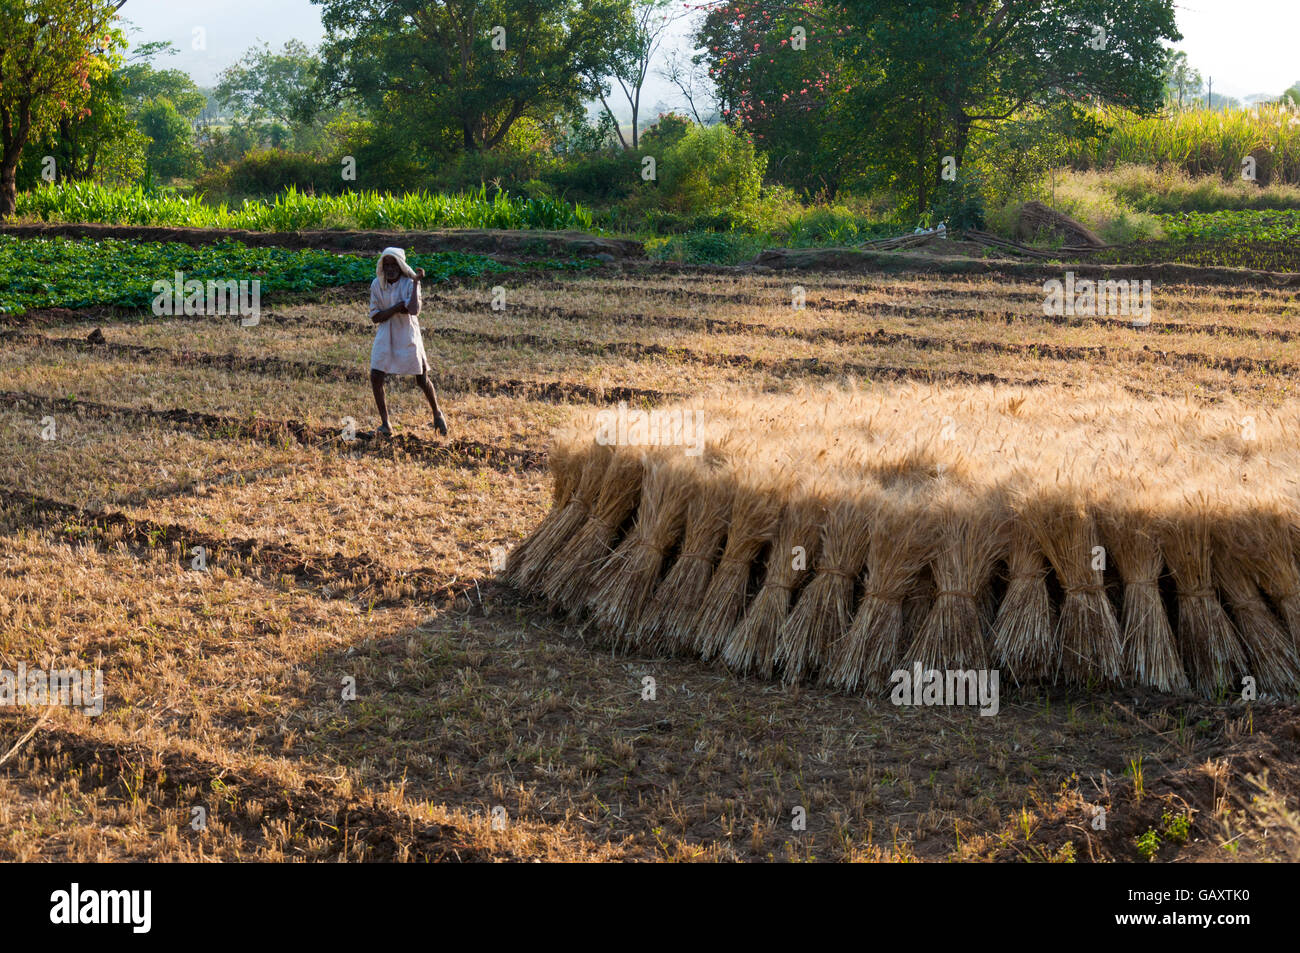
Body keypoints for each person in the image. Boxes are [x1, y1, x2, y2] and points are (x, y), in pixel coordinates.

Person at [368, 246, 448, 437]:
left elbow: (412, 310)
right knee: (376, 376)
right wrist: (396, 307)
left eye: (393, 264)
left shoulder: (410, 283)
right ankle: (385, 424)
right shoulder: (376, 285)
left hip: (407, 332)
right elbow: (375, 317)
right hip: (385, 332)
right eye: (386, 264)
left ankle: (437, 413)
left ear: (401, 265)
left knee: (421, 378)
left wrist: (414, 283)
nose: (390, 268)